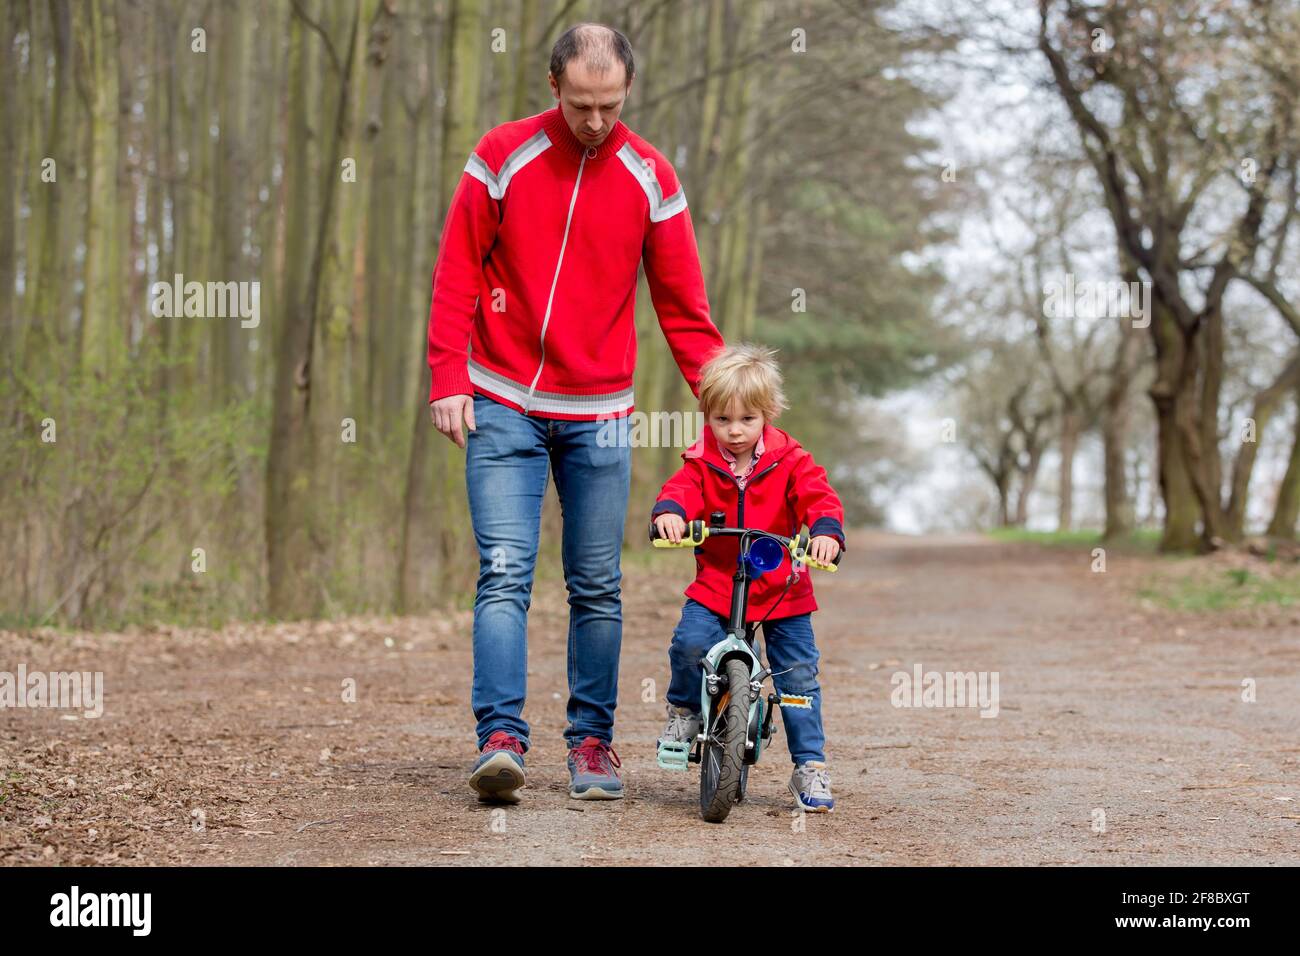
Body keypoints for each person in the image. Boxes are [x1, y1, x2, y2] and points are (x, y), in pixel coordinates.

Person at [426, 23, 725, 803]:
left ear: (627, 92)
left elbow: (684, 311)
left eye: (611, 105)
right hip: (501, 400)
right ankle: (500, 741)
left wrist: (728, 407)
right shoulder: (502, 156)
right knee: (503, 575)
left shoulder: (651, 176)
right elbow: (457, 268)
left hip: (599, 413)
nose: (596, 121)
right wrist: (446, 374)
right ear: (553, 86)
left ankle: (592, 744)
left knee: (597, 585)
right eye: (583, 105)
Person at [650, 344, 846, 811]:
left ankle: (810, 766)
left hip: (783, 588)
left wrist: (825, 532)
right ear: (707, 416)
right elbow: (679, 492)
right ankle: (683, 712)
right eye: (722, 420)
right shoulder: (700, 462)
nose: (734, 431)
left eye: (747, 419)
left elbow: (818, 497)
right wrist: (671, 515)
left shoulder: (792, 459)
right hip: (719, 582)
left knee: (798, 674)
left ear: (768, 414)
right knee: (690, 644)